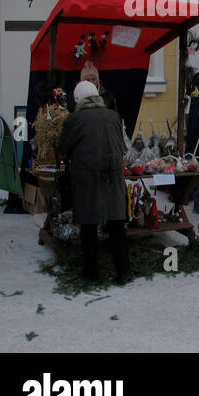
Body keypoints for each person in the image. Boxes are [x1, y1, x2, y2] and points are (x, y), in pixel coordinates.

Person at [56, 81, 132, 285]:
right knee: (116, 226)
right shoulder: (113, 116)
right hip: (113, 176)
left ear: (78, 100)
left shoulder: (75, 119)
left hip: (87, 177)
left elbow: (63, 146)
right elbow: (121, 145)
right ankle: (124, 272)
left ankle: (92, 273)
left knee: (89, 227)